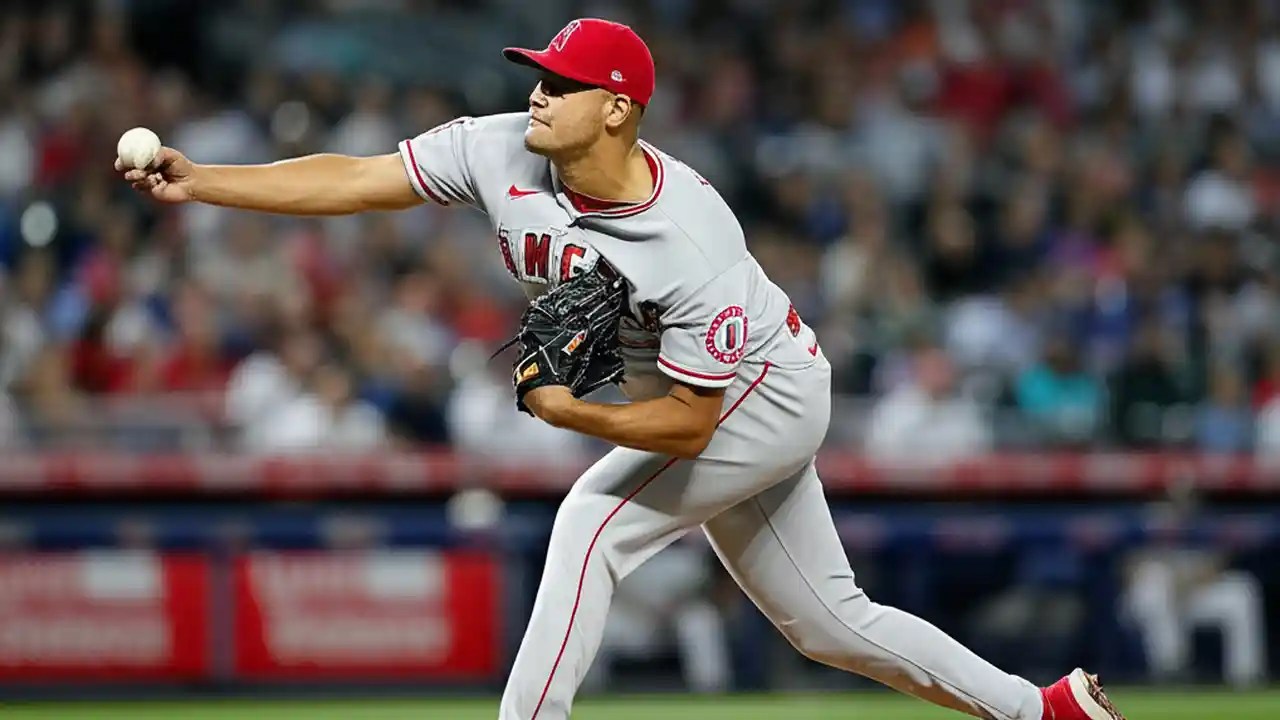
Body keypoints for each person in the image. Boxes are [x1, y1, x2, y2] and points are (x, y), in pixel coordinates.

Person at [116, 17, 1124, 720]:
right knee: (829, 624)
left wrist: (569, 414)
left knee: (588, 521)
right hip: (697, 393)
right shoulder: (498, 148)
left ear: (616, 109)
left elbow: (689, 424)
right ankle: (1045, 710)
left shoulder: (688, 238)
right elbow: (356, 177)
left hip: (757, 400)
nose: (535, 93)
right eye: (537, 74)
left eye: (560, 83)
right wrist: (204, 180)